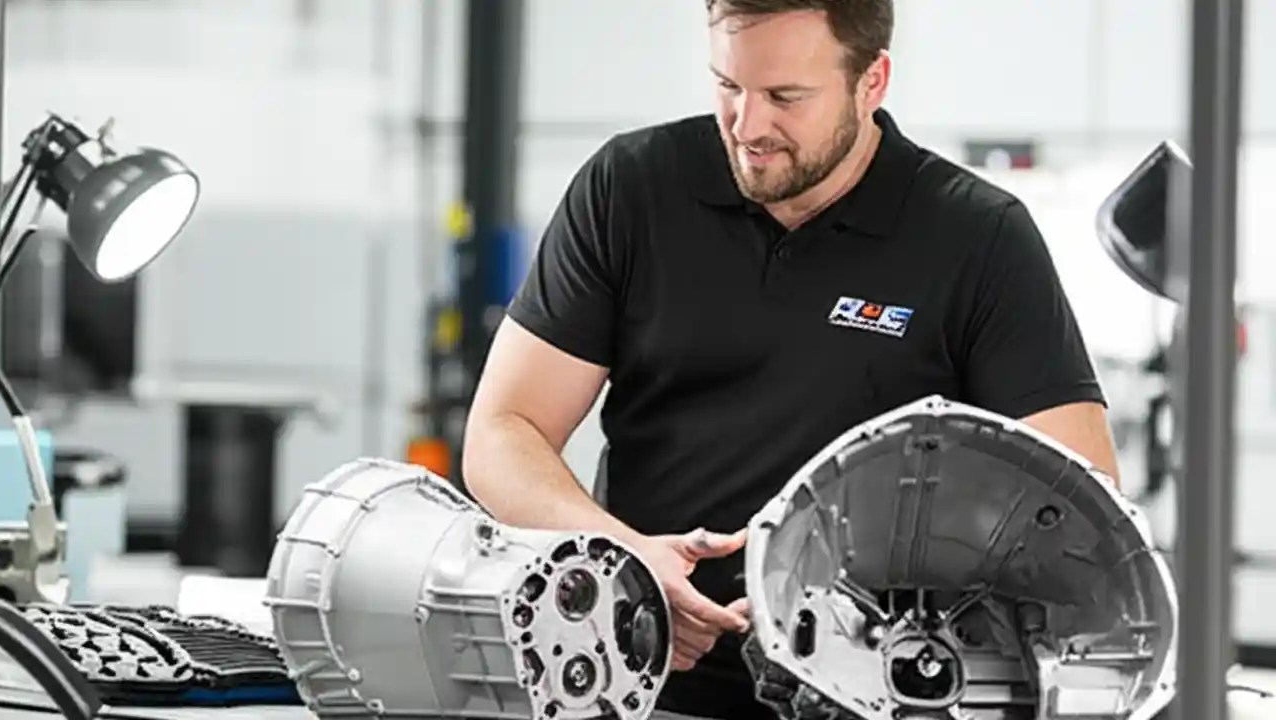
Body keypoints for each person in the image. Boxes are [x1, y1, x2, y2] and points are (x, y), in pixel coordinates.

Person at [462, 1, 1121, 718]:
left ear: (873, 82)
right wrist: (627, 557)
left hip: (874, 702)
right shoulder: (630, 189)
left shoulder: (979, 239)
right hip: (629, 686)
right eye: (728, 86)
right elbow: (503, 433)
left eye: (785, 98)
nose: (747, 127)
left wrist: (856, 610)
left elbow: (1081, 508)